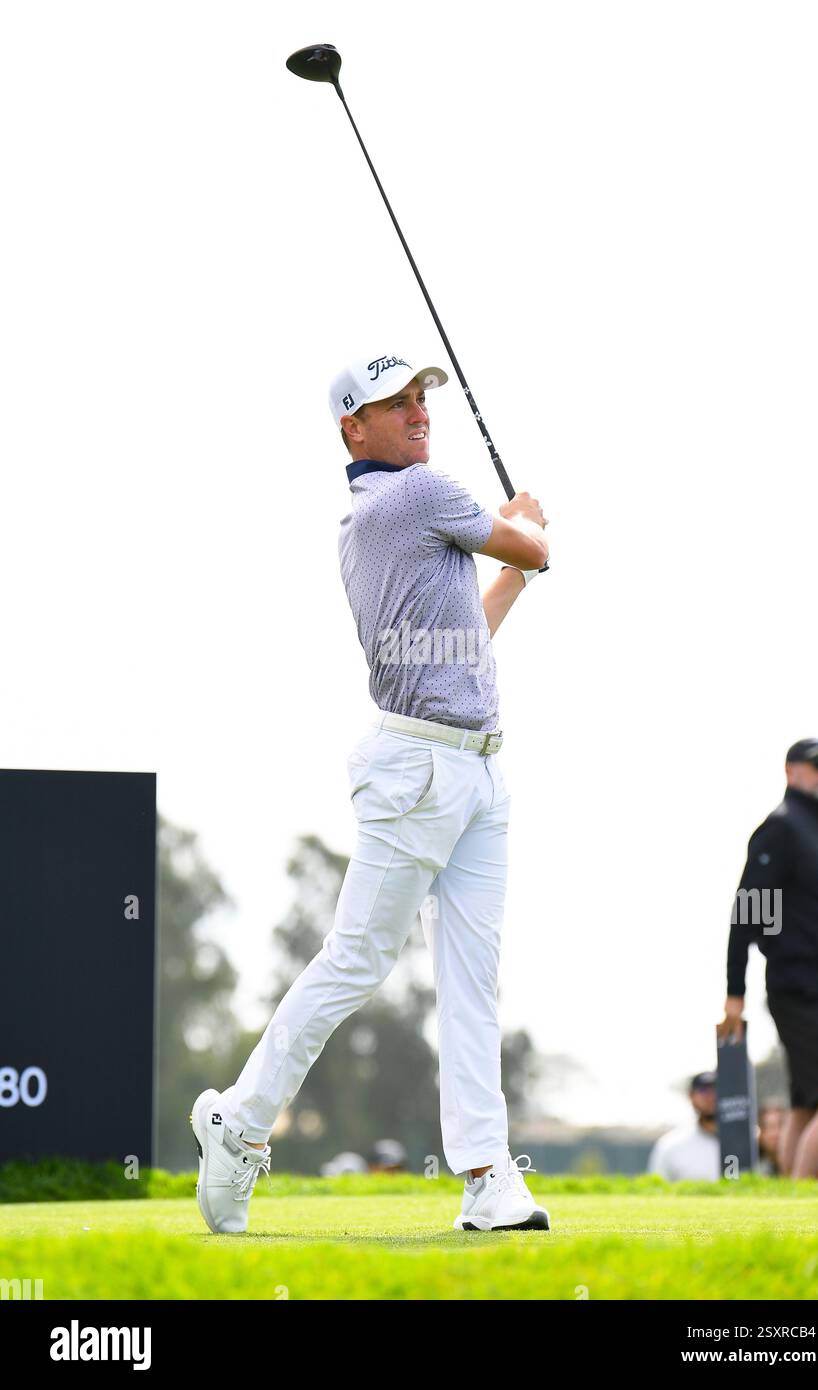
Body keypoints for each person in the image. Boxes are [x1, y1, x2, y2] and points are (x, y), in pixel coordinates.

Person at [190, 352, 551, 1234]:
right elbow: (532, 543)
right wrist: (529, 531)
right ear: (355, 427)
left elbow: (464, 638)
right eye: (396, 403)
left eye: (422, 396)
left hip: (474, 767)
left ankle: (484, 1175)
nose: (419, 412)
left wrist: (514, 574)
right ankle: (239, 1124)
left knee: (474, 979)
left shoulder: (374, 520)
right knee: (357, 959)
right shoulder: (420, 497)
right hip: (421, 769)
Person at [719, 739, 818, 1178]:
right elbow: (750, 911)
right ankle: (800, 1205)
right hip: (801, 989)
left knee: (806, 1105)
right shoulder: (782, 828)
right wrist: (734, 992)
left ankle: (786, 1199)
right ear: (791, 771)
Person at [647, 1072, 721, 1181]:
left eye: (717, 1089)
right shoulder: (670, 1146)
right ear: (691, 1096)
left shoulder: (752, 1140)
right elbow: (656, 1189)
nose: (712, 1096)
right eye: (704, 1091)